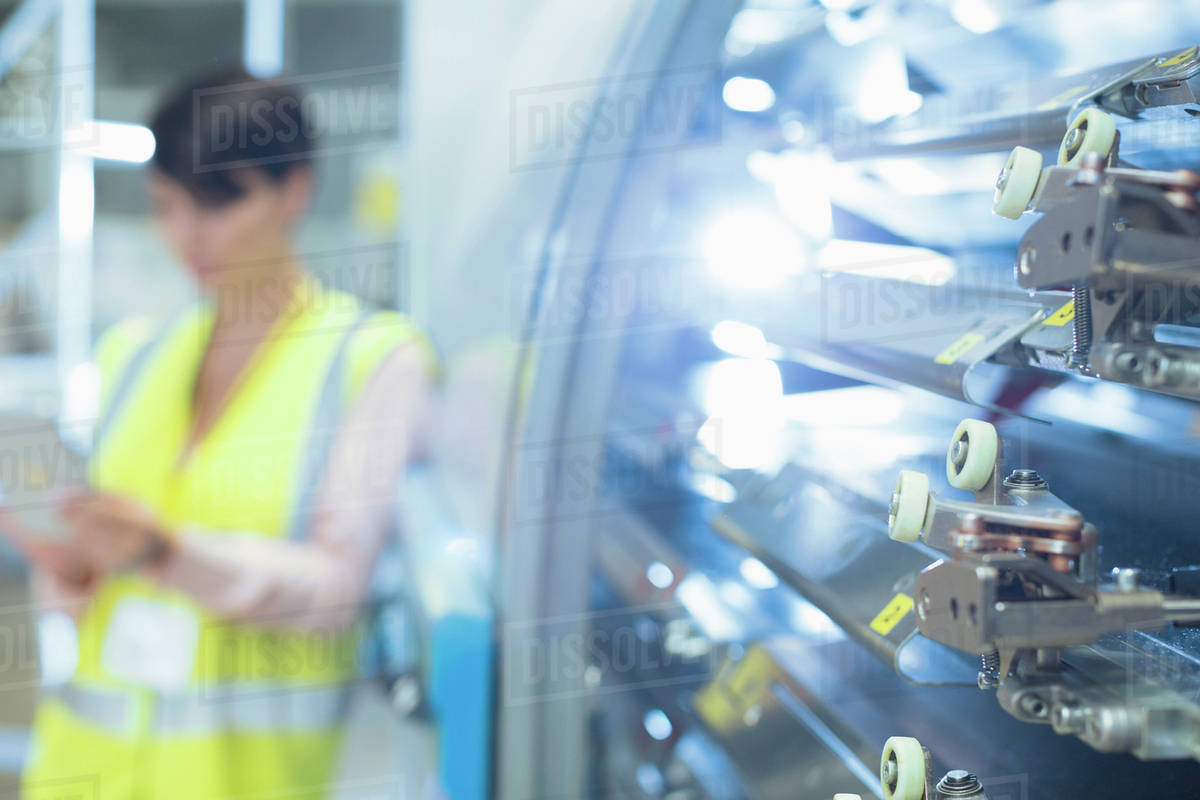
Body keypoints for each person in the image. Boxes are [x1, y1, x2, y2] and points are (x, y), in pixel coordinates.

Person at [2, 67, 435, 800]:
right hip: (81, 774)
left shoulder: (373, 359)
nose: (188, 236)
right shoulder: (133, 353)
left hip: (242, 782)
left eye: (217, 203)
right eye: (166, 207)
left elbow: (334, 591)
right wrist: (66, 563)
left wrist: (168, 553)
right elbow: (81, 603)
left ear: (293, 190)